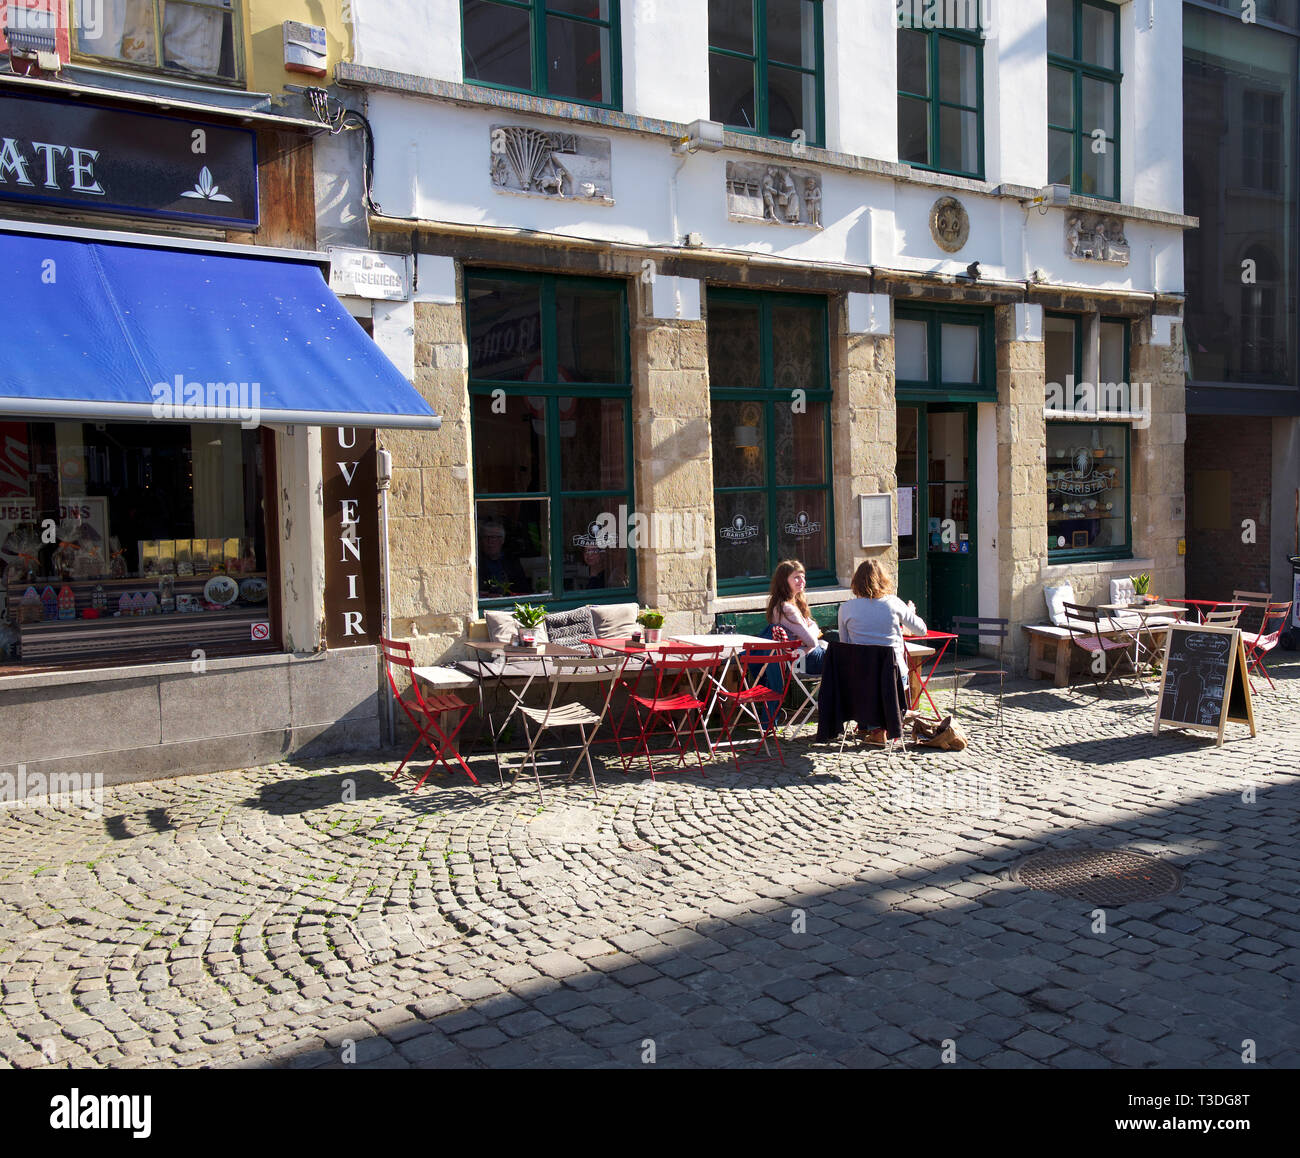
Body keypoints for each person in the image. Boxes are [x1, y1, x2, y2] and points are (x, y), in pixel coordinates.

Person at [838, 560, 927, 716]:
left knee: (872, 683)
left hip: (861, 677)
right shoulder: (893, 603)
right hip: (894, 678)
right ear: (883, 580)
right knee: (896, 672)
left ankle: (876, 725)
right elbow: (921, 630)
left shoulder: (846, 608)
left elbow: (844, 644)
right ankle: (894, 717)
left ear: (856, 582)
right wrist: (910, 612)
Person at [766, 559, 827, 676]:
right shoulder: (786, 609)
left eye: (803, 577)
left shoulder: (788, 605)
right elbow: (813, 642)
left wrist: (810, 629)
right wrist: (812, 629)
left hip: (803, 657)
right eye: (796, 577)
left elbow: (812, 630)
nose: (802, 581)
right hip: (803, 662)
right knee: (846, 659)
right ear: (784, 581)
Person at [478, 521, 528, 596]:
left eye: (493, 537)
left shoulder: (512, 562)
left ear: (502, 540)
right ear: (481, 541)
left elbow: (523, 588)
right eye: (486, 537)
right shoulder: (477, 562)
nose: (490, 542)